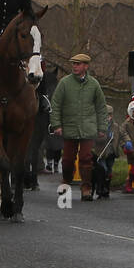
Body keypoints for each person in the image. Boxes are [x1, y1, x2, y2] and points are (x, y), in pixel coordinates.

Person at [50, 52, 109, 202]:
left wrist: (102, 128)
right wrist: (57, 125)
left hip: (88, 129)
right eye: (73, 64)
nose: (75, 67)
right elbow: (55, 105)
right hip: (69, 128)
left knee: (86, 159)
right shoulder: (64, 83)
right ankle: (66, 182)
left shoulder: (94, 84)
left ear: (86, 66)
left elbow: (101, 107)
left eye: (78, 64)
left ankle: (86, 188)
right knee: (68, 160)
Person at [93, 106, 117, 199]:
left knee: (109, 170)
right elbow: (94, 139)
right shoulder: (96, 127)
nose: (107, 117)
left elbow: (121, 135)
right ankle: (100, 188)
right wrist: (103, 137)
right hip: (101, 152)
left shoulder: (115, 126)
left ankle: (106, 188)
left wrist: (126, 143)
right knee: (103, 169)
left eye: (109, 115)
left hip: (111, 153)